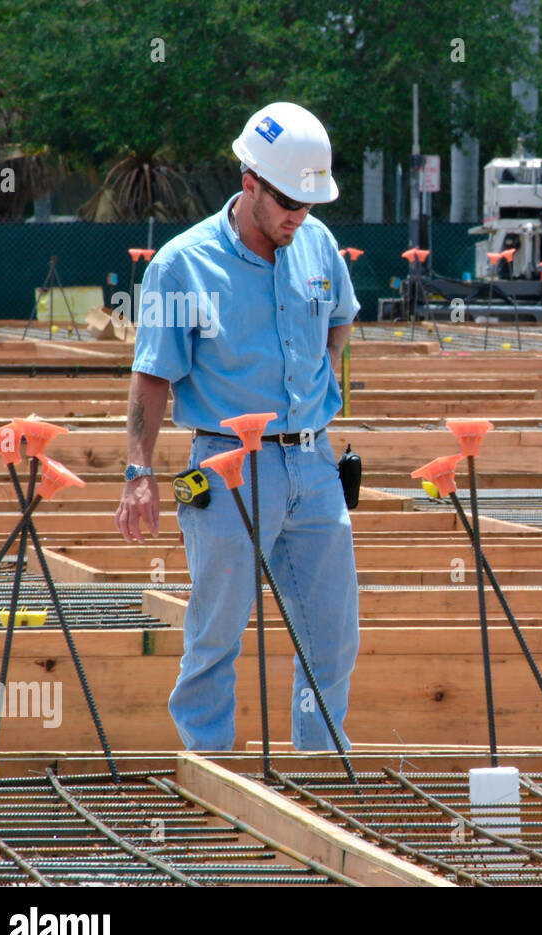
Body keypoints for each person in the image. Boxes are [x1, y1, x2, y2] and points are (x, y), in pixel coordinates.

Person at [115, 101, 360, 752]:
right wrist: (138, 473)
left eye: (309, 204)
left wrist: (327, 378)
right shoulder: (181, 264)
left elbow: (340, 312)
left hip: (313, 463)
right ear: (249, 180)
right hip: (227, 469)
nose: (296, 216)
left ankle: (321, 772)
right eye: (286, 200)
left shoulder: (317, 243)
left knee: (331, 636)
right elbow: (151, 377)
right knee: (216, 632)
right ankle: (210, 772)